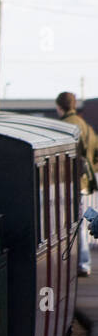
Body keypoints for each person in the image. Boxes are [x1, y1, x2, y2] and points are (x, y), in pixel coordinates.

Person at [57, 92, 97, 275]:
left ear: (59, 107)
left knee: (67, 223)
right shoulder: (85, 127)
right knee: (80, 221)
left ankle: (77, 262)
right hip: (83, 182)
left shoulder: (65, 126)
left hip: (68, 181)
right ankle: (83, 262)